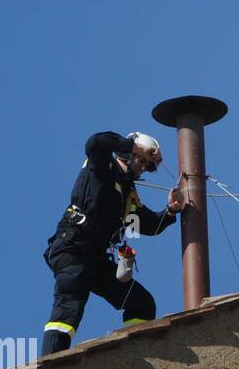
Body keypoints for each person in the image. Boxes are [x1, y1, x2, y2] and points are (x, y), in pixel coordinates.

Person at [42, 131, 184, 355]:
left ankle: (133, 354)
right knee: (70, 306)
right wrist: (131, 145)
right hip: (73, 247)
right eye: (142, 160)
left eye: (148, 165)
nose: (143, 167)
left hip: (96, 258)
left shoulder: (129, 194)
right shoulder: (102, 167)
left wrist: (170, 211)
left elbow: (146, 224)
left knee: (141, 303)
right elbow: (95, 142)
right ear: (127, 154)